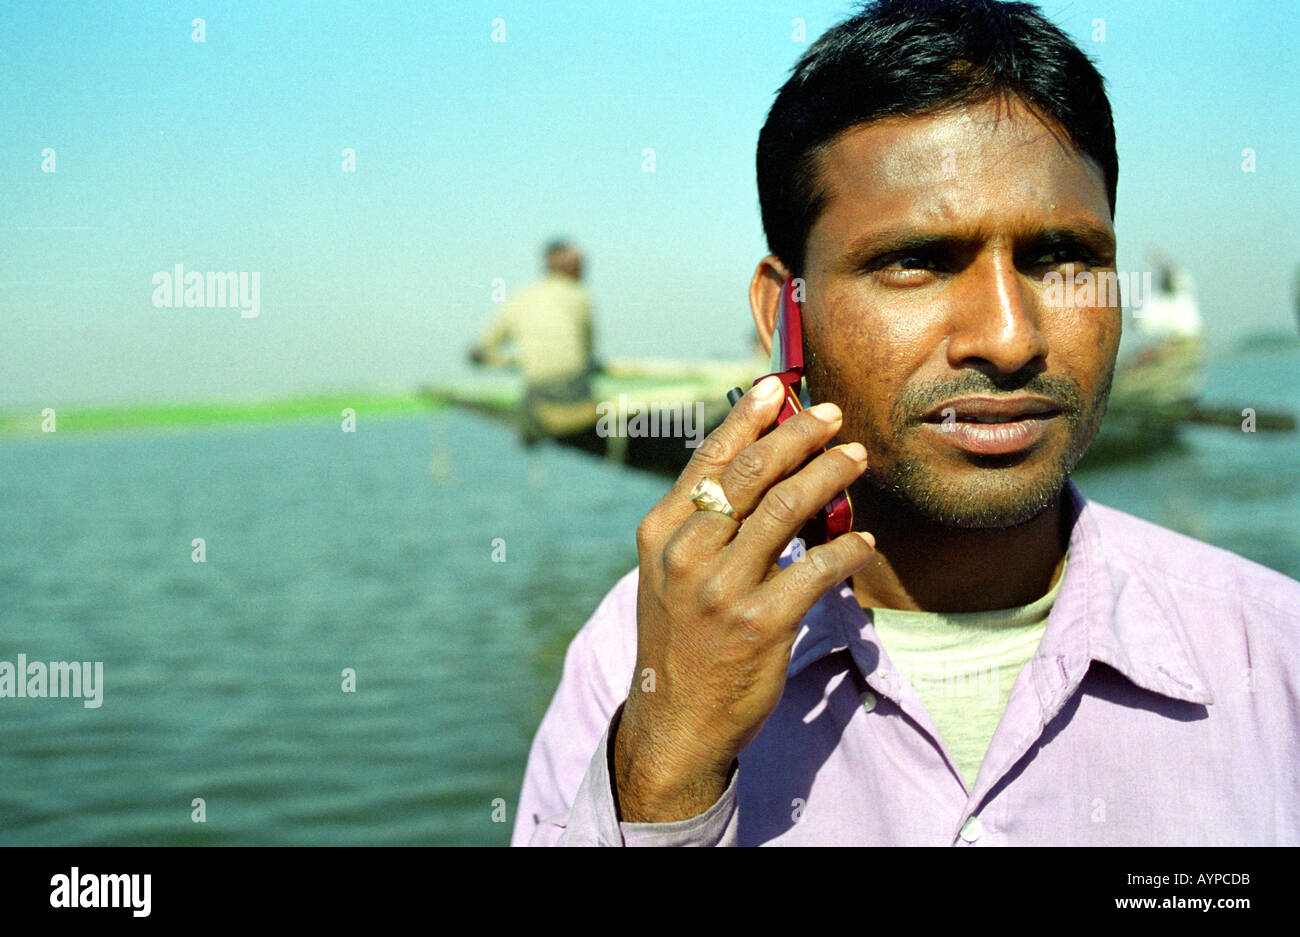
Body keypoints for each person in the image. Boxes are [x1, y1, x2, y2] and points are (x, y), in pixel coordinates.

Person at [511, 0, 1300, 846]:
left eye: (1062, 258)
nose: (1008, 337)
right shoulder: (638, 657)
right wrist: (663, 776)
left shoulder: (1275, 655)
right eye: (914, 262)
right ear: (787, 313)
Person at [469, 239, 596, 444]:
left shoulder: (522, 296)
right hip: (575, 387)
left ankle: (533, 431)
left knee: (530, 426)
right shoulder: (579, 295)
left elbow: (486, 344)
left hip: (540, 390)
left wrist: (482, 355)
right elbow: (588, 345)